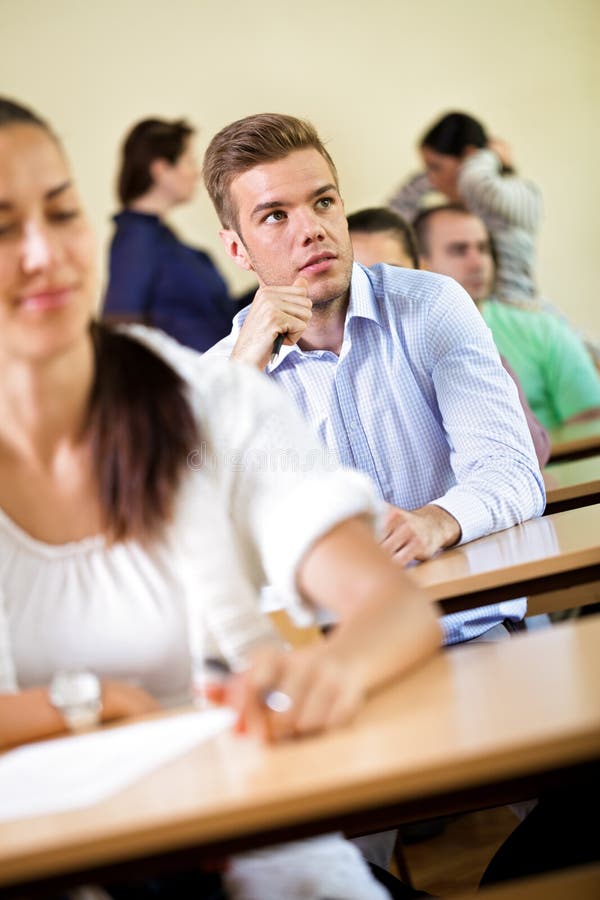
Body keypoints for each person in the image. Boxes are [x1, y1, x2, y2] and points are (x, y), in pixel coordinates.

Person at [0, 97, 444, 899]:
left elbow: (393, 608)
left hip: (246, 853)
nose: (44, 253)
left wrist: (335, 669)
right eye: (3, 227)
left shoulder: (210, 400)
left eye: (62, 212)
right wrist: (87, 704)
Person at [204, 111, 545, 648]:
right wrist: (244, 375)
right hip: (331, 666)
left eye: (323, 201)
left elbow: (513, 473)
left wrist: (437, 520)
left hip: (467, 632)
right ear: (236, 249)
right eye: (274, 216)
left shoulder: (432, 306)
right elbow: (202, 546)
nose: (311, 228)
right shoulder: (217, 378)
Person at [388, 110, 600, 366]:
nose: (431, 179)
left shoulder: (517, 195)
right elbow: (394, 215)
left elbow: (475, 181)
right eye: (426, 170)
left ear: (468, 158)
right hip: (480, 315)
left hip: (520, 315)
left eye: (435, 167)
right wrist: (435, 173)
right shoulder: (456, 212)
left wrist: (488, 155)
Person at [347, 206, 550, 466]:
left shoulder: (466, 348)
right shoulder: (332, 372)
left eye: (391, 273)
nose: (372, 291)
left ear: (422, 271)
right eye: (358, 279)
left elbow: (530, 452)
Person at [413, 204, 600, 430]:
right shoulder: (403, 345)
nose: (478, 262)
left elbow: (591, 421)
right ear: (422, 264)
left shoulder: (542, 328)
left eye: (483, 249)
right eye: (459, 250)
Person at [102, 117, 254, 352]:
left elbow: (218, 318)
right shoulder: (136, 240)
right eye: (189, 162)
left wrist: (273, 287)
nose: (196, 173)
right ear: (161, 169)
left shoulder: (161, 239)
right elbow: (120, 330)